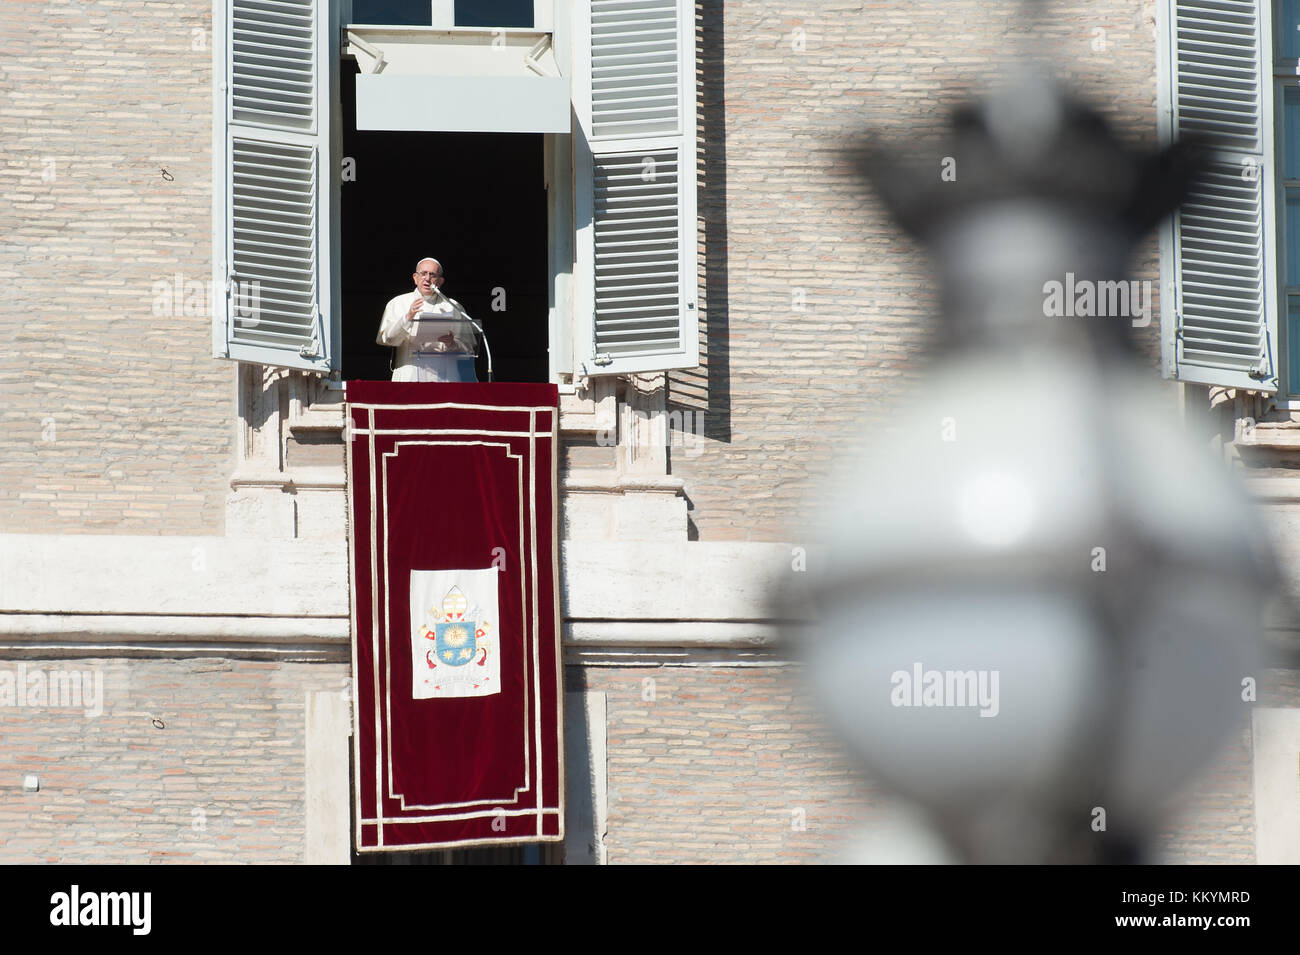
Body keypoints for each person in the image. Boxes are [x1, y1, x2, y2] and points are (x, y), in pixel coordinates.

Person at [376, 258, 478, 382]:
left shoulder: (453, 306)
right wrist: (407, 318)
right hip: (410, 375)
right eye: (423, 273)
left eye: (432, 275)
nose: (427, 279)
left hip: (445, 378)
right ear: (415, 278)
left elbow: (468, 350)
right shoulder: (398, 303)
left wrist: (452, 343)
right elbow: (386, 339)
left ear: (440, 281)